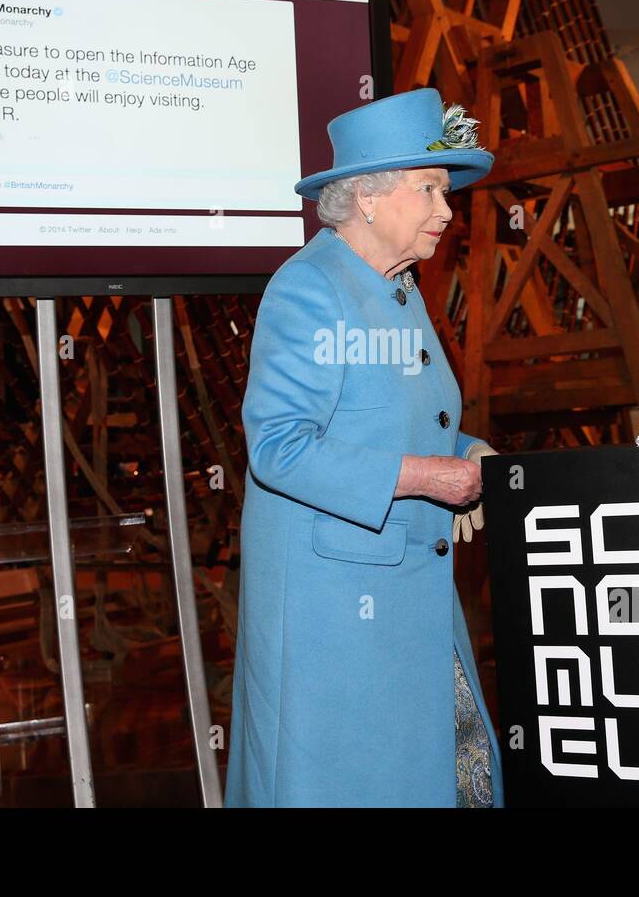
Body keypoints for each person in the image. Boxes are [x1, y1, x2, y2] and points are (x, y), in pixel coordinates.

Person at [226, 88, 503, 808]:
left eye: (445, 190)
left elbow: (397, 419)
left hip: (405, 587)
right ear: (369, 199)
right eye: (429, 188)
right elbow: (279, 447)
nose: (446, 209)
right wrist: (425, 477)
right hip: (333, 612)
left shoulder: (399, 288)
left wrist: (469, 450)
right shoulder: (309, 289)